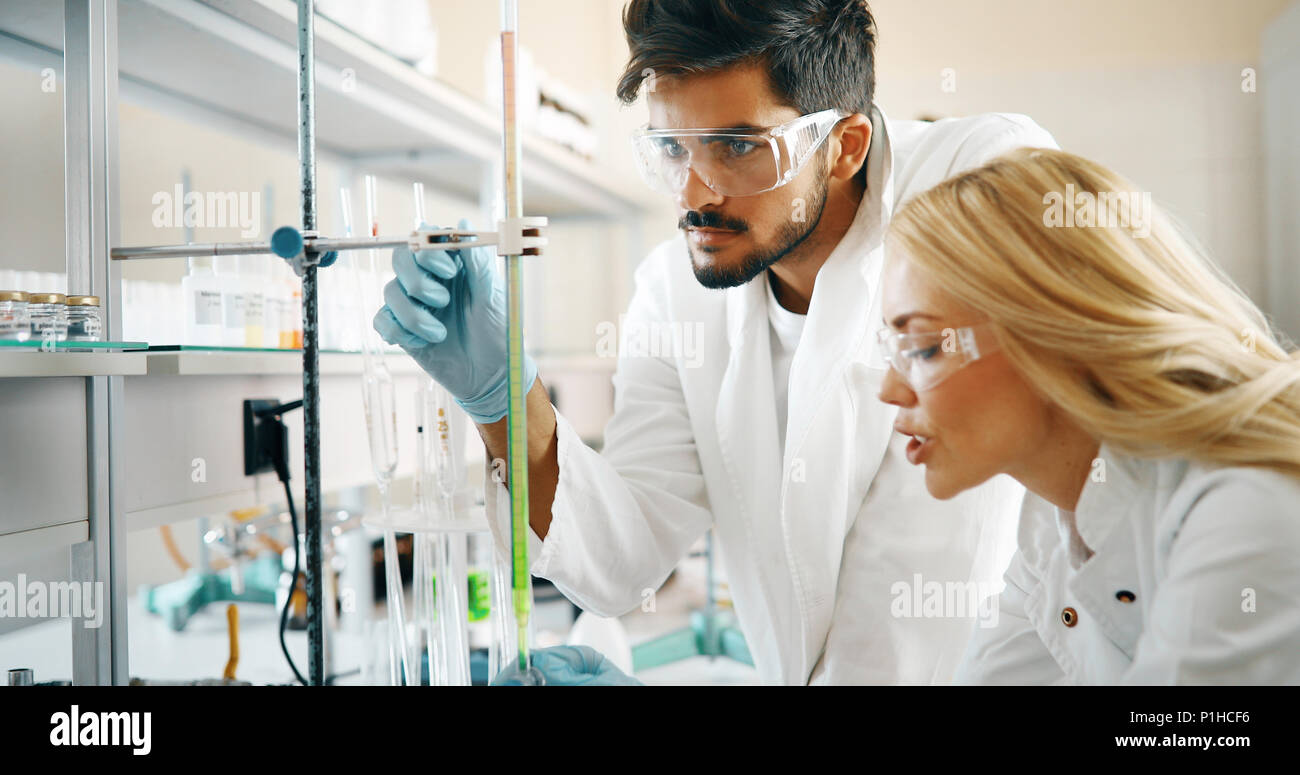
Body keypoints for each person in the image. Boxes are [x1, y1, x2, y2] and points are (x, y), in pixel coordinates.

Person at [375, 0, 1057, 684]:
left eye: (737, 147)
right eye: (671, 148)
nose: (694, 194)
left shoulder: (977, 180)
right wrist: (504, 400)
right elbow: (620, 557)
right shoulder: (673, 292)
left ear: (845, 146)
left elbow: (910, 616)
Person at [875, 147, 1300, 683]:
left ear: (1055, 336)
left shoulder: (1248, 506)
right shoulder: (1053, 520)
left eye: (925, 348)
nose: (890, 390)